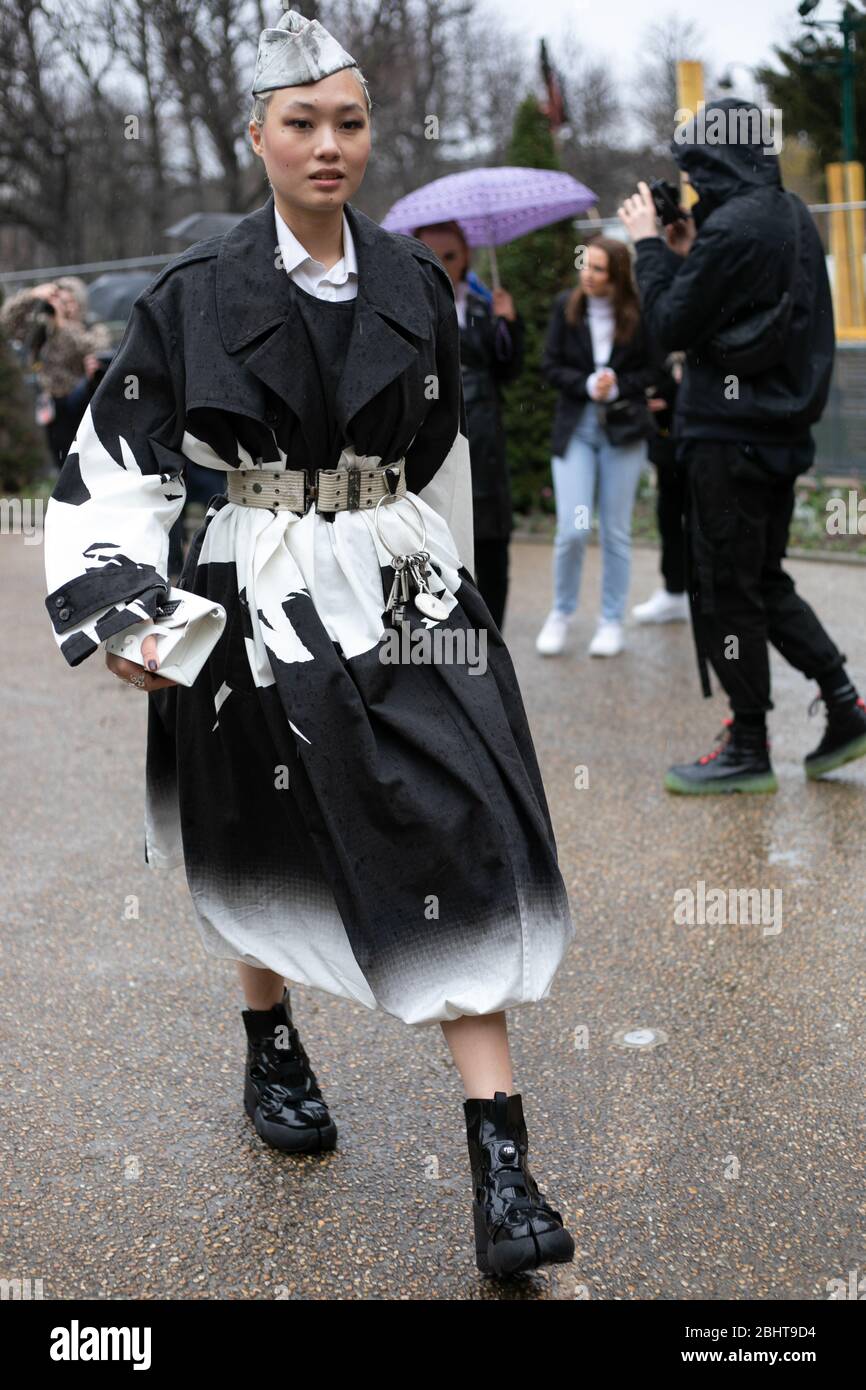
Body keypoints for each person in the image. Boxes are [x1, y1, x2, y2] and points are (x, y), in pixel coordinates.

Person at [41, 4, 576, 1279]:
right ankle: (270, 1040)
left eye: (348, 122)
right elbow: (114, 464)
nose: (327, 145)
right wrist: (127, 610)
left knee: (467, 826)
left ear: (370, 133)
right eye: (301, 123)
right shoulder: (192, 294)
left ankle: (501, 1165)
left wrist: (468, 596)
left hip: (402, 589)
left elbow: (441, 455)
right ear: (258, 136)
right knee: (261, 823)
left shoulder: (411, 280)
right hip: (254, 588)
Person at [618, 97, 866, 793]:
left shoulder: (732, 229)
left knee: (728, 590)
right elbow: (735, 311)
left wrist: (647, 245)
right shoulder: (790, 215)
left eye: (697, 171)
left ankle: (749, 745)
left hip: (728, 440)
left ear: (718, 161)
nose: (693, 186)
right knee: (762, 579)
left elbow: (671, 324)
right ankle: (844, 705)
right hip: (777, 435)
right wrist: (687, 248)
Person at [536, 235, 658, 658]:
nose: (587, 274)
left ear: (618, 276)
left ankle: (610, 621)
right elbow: (550, 365)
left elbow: (655, 368)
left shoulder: (639, 312)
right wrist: (587, 383)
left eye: (599, 269)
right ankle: (561, 612)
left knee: (616, 531)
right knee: (574, 528)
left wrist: (620, 384)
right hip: (579, 430)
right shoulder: (566, 308)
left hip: (623, 432)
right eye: (585, 265)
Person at [412, 220, 524, 631]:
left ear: (467, 257)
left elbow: (509, 369)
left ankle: (491, 634)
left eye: (451, 256)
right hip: (427, 436)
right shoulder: (406, 306)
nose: (442, 265)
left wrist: (508, 323)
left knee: (490, 534)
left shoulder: (481, 305)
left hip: (482, 433)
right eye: (431, 255)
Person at [0, 276, 111, 468]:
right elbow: (6, 323)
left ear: (80, 303)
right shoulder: (44, 329)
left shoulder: (93, 328)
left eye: (68, 302)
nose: (63, 307)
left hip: (85, 404)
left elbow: (95, 349)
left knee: (90, 461)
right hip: (53, 407)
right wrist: (31, 295)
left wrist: (64, 325)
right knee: (62, 461)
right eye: (59, 301)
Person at [631, 352, 690, 625]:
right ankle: (675, 591)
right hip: (669, 442)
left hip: (704, 435)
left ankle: (706, 595)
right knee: (670, 514)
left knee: (705, 518)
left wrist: (675, 395)